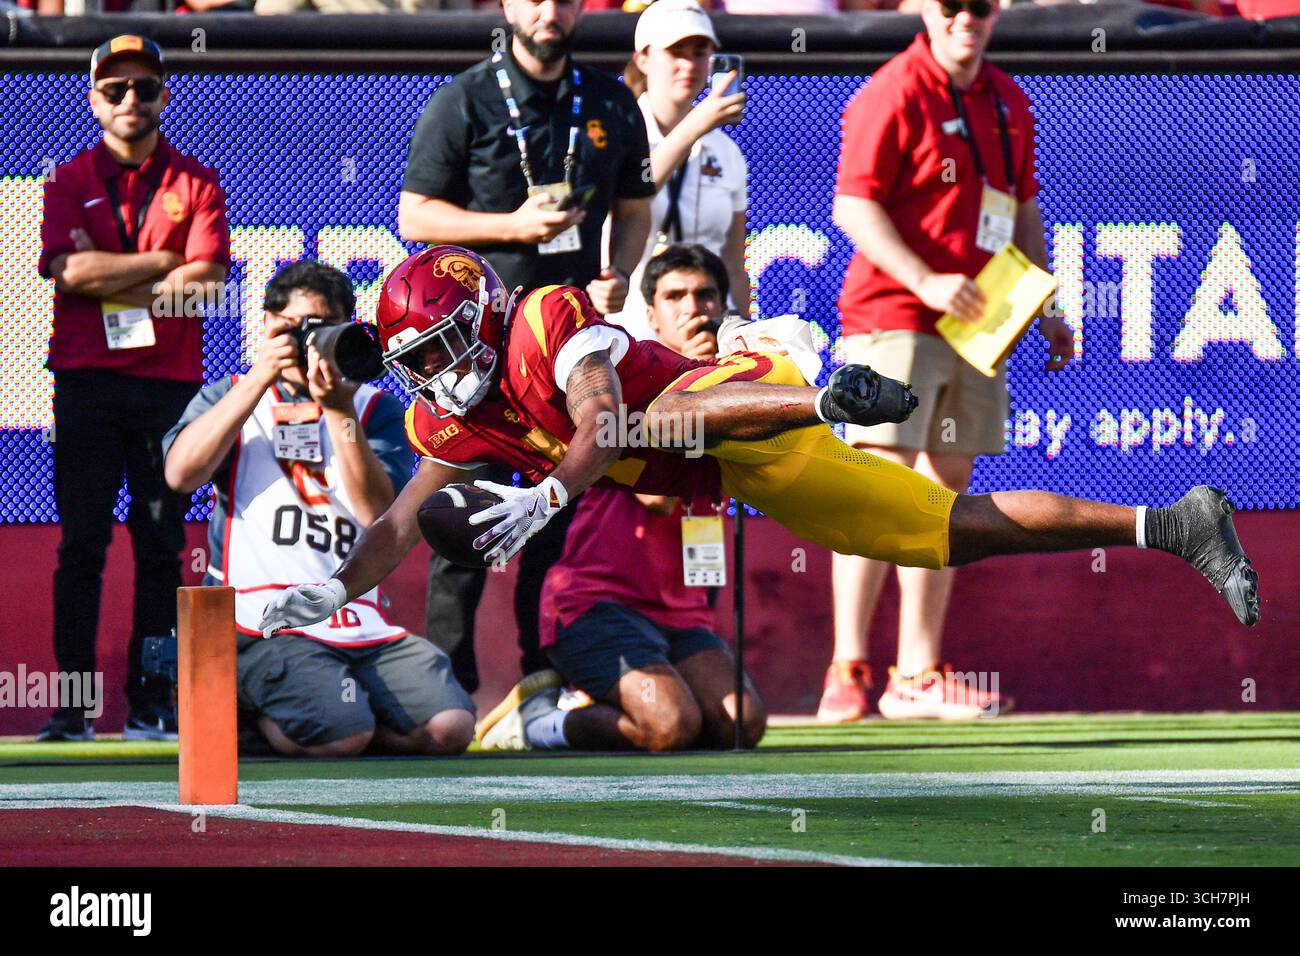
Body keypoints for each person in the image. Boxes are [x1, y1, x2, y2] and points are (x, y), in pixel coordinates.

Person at [257, 246, 1261, 668]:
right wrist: (333, 587)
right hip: (706, 467)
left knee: (655, 422)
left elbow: (607, 422)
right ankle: (1171, 522)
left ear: (480, 321)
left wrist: (545, 495)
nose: (434, 378)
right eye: (415, 363)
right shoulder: (445, 415)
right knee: (940, 532)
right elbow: (397, 522)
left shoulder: (544, 319)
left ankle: (826, 395)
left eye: (439, 350)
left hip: (729, 402)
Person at [821, 0, 1076, 722]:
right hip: (892, 316)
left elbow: (1022, 209)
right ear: (924, 11)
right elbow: (854, 207)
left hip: (979, 326)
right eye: (953, 4)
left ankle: (917, 673)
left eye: (983, 5)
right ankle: (846, 666)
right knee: (878, 485)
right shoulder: (894, 89)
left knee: (944, 491)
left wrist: (1046, 307)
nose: (969, 16)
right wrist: (924, 278)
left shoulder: (1008, 98)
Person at [397, 0, 655, 695]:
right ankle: (446, 690)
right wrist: (512, 227)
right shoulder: (466, 98)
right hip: (474, 356)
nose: (549, 10)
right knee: (460, 525)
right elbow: (413, 214)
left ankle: (546, 686)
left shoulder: (609, 100)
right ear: (509, 6)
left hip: (568, 351)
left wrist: (621, 275)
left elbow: (635, 208)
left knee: (558, 518)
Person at [162, 262, 475, 757]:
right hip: (260, 619)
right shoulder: (232, 398)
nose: (310, 343)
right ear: (267, 325)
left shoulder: (374, 408)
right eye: (296, 327)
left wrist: (337, 409)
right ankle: (264, 713)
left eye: (322, 329)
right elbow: (181, 474)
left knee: (450, 727)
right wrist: (260, 376)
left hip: (356, 616)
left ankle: (346, 719)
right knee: (341, 735)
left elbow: (379, 511)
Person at [478, 244, 767, 752]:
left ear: (726, 306)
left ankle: (599, 700)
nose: (694, 308)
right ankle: (536, 727)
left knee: (740, 725)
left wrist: (737, 382)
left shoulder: (739, 380)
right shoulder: (637, 373)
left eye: (706, 295)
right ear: (650, 314)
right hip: (597, 604)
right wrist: (715, 396)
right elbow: (659, 497)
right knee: (670, 727)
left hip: (680, 611)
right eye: (675, 296)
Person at [37, 36, 231, 742]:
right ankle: (71, 707)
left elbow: (206, 279)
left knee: (159, 546)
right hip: (86, 383)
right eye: (114, 90)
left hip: (166, 386)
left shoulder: (198, 181)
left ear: (163, 96)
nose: (130, 101)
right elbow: (67, 273)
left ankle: (152, 704)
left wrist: (107, 270)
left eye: (143, 88)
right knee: (81, 545)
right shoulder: (66, 179)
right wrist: (158, 263)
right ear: (93, 99)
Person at [608, 0, 749, 340]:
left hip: (710, 331)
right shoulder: (614, 132)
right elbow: (629, 196)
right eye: (675, 52)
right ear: (643, 58)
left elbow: (732, 259)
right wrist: (696, 126)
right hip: (634, 329)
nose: (689, 64)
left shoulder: (725, 150)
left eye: (699, 52)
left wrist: (745, 330)